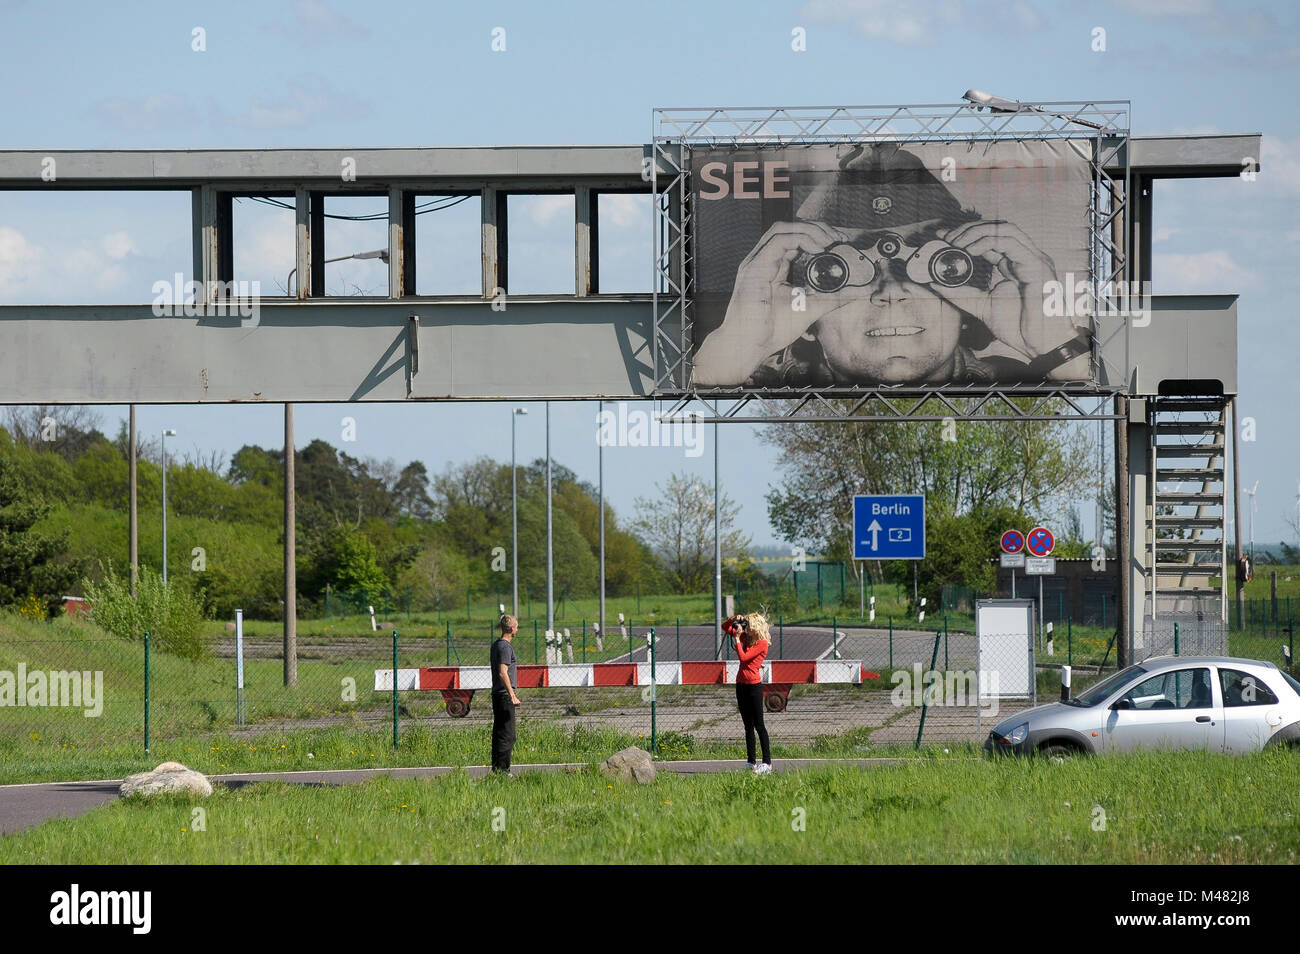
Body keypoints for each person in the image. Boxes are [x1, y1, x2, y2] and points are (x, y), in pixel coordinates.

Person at [692, 143, 1092, 387]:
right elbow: (705, 383)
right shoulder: (755, 380)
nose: (891, 293)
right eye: (837, 271)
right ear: (801, 307)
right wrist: (744, 343)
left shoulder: (1029, 380)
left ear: (971, 288)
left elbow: (1101, 392)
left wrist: (1052, 342)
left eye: (937, 266)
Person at [727, 612, 773, 774]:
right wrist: (734, 619)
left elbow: (744, 658)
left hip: (754, 686)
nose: (746, 629)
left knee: (759, 725)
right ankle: (750, 761)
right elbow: (725, 628)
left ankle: (767, 762)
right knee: (747, 726)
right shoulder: (746, 638)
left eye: (749, 626)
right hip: (741, 685)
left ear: (756, 627)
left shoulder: (761, 644)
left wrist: (738, 639)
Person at [490, 614, 522, 775]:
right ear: (511, 629)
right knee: (507, 735)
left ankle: (497, 768)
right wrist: (512, 695)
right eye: (516, 626)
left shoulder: (496, 645)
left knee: (500, 733)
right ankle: (503, 771)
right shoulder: (505, 647)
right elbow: (503, 672)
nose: (517, 629)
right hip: (504, 695)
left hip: (499, 694)